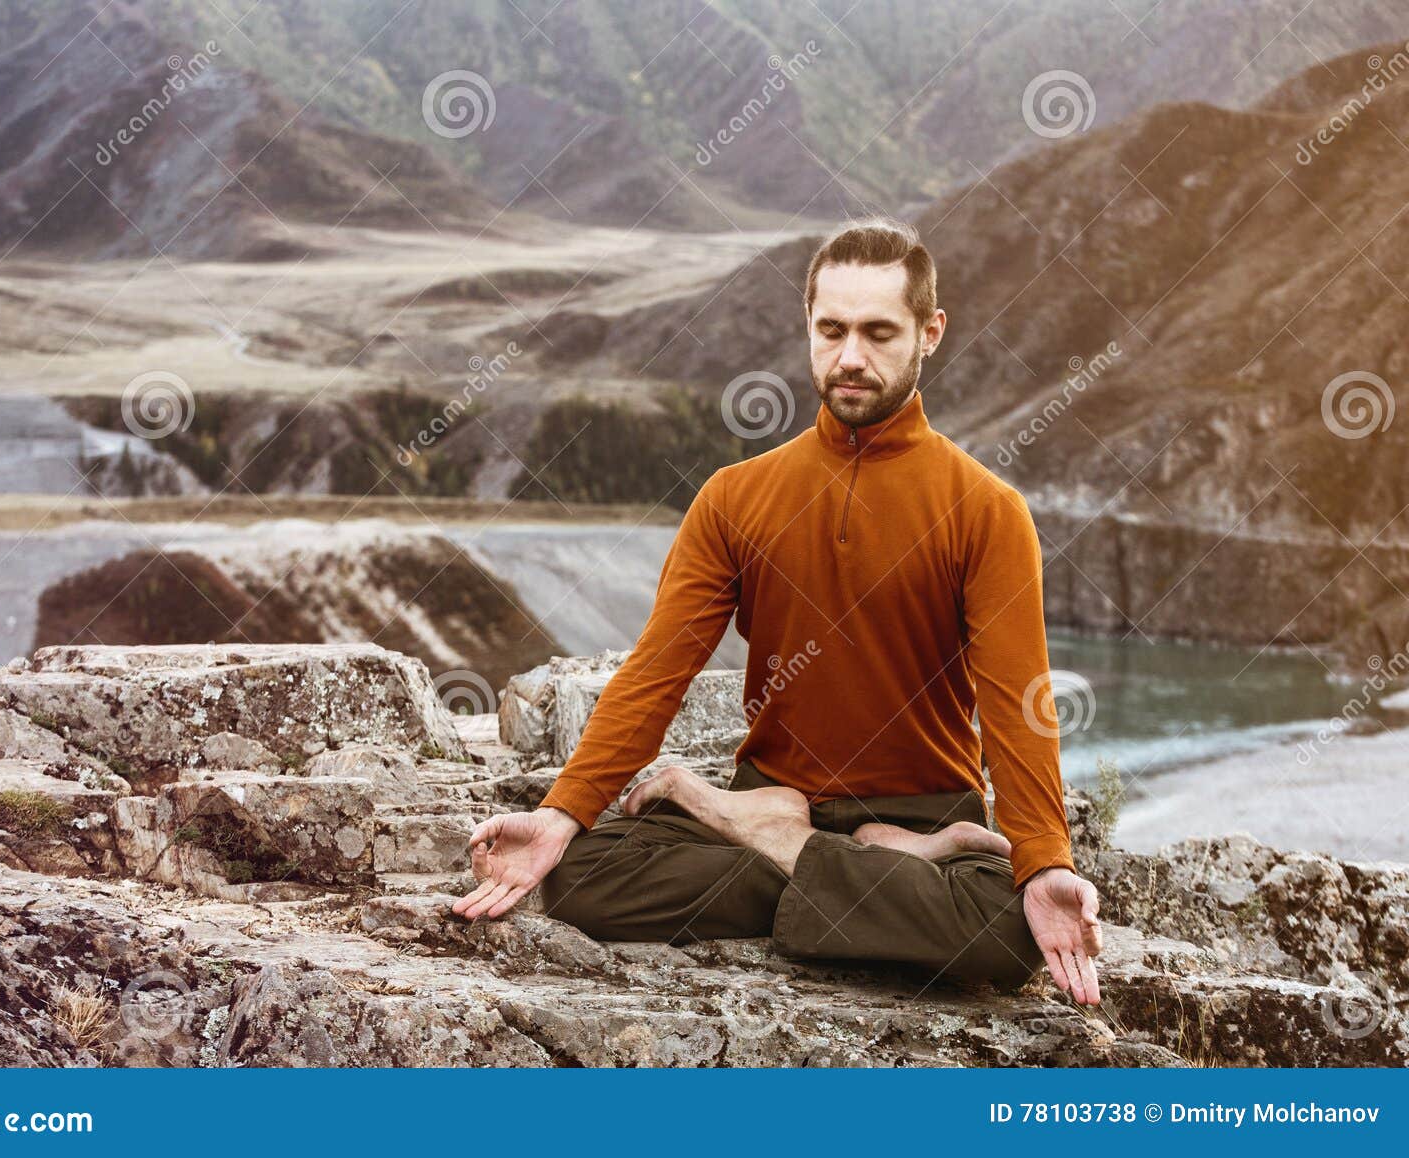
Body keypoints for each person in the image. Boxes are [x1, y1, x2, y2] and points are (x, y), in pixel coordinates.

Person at [452, 218, 1104, 1006]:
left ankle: (780, 841)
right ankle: (861, 866)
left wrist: (1045, 861)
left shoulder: (987, 511)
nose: (850, 357)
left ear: (930, 333)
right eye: (830, 330)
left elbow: (1018, 706)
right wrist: (560, 814)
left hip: (927, 809)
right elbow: (658, 670)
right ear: (808, 327)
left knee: (1012, 925)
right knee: (584, 877)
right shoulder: (735, 497)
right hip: (779, 784)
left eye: (878, 332)